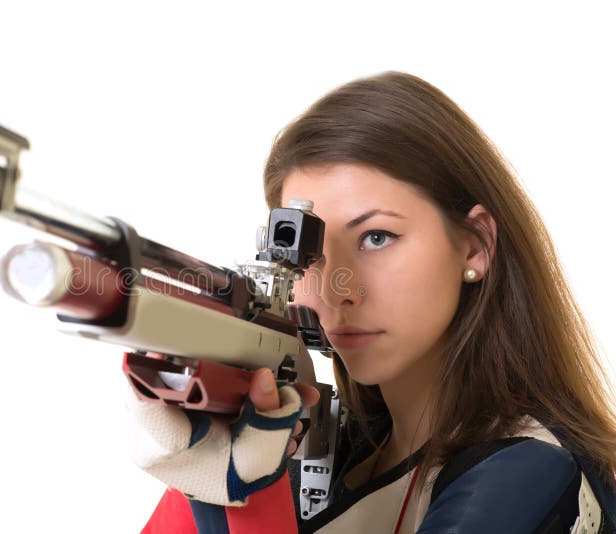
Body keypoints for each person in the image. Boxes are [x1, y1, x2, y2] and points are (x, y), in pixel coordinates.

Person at [130, 71, 616, 533]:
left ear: (474, 246)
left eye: (377, 237)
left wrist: (238, 496)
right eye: (311, 253)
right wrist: (211, 459)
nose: (337, 287)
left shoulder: (527, 473)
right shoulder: (327, 447)